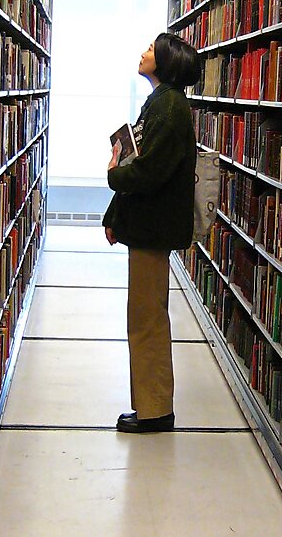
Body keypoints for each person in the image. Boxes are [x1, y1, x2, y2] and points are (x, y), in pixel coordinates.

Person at [102, 33, 202, 433]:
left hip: (153, 227)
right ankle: (152, 404)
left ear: (164, 60)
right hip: (148, 224)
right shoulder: (162, 102)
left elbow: (147, 171)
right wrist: (116, 213)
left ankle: (156, 410)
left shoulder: (170, 107)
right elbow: (142, 162)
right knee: (146, 315)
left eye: (150, 49)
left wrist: (113, 174)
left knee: (146, 319)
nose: (143, 53)